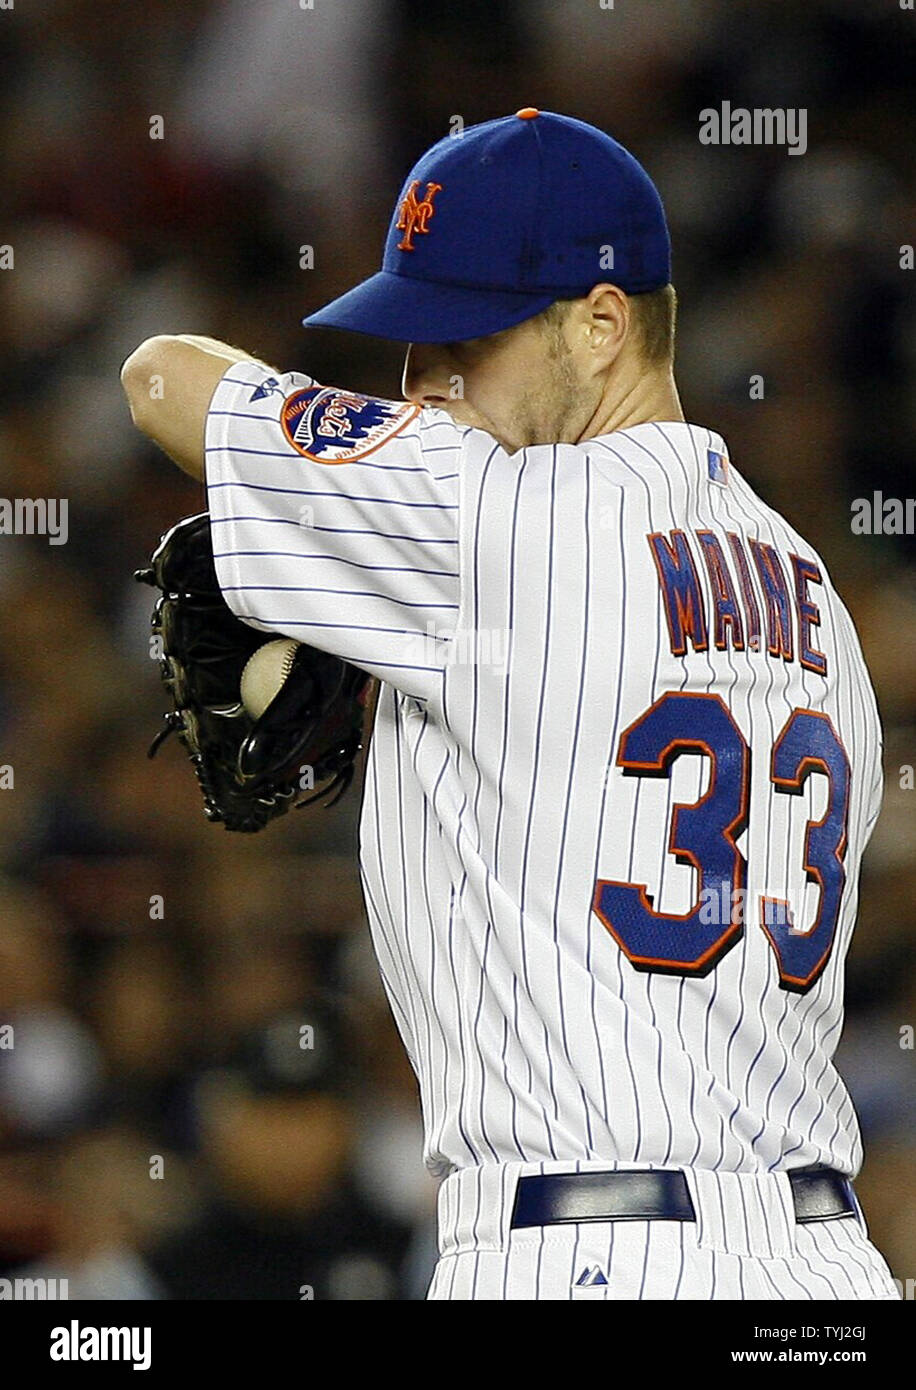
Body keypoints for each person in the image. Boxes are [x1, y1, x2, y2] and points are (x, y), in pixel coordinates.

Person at [121, 110, 900, 1300]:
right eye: (407, 343)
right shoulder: (812, 595)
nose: (424, 386)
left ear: (602, 325)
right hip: (820, 1270)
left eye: (462, 340)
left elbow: (158, 376)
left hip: (582, 1249)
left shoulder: (498, 515)